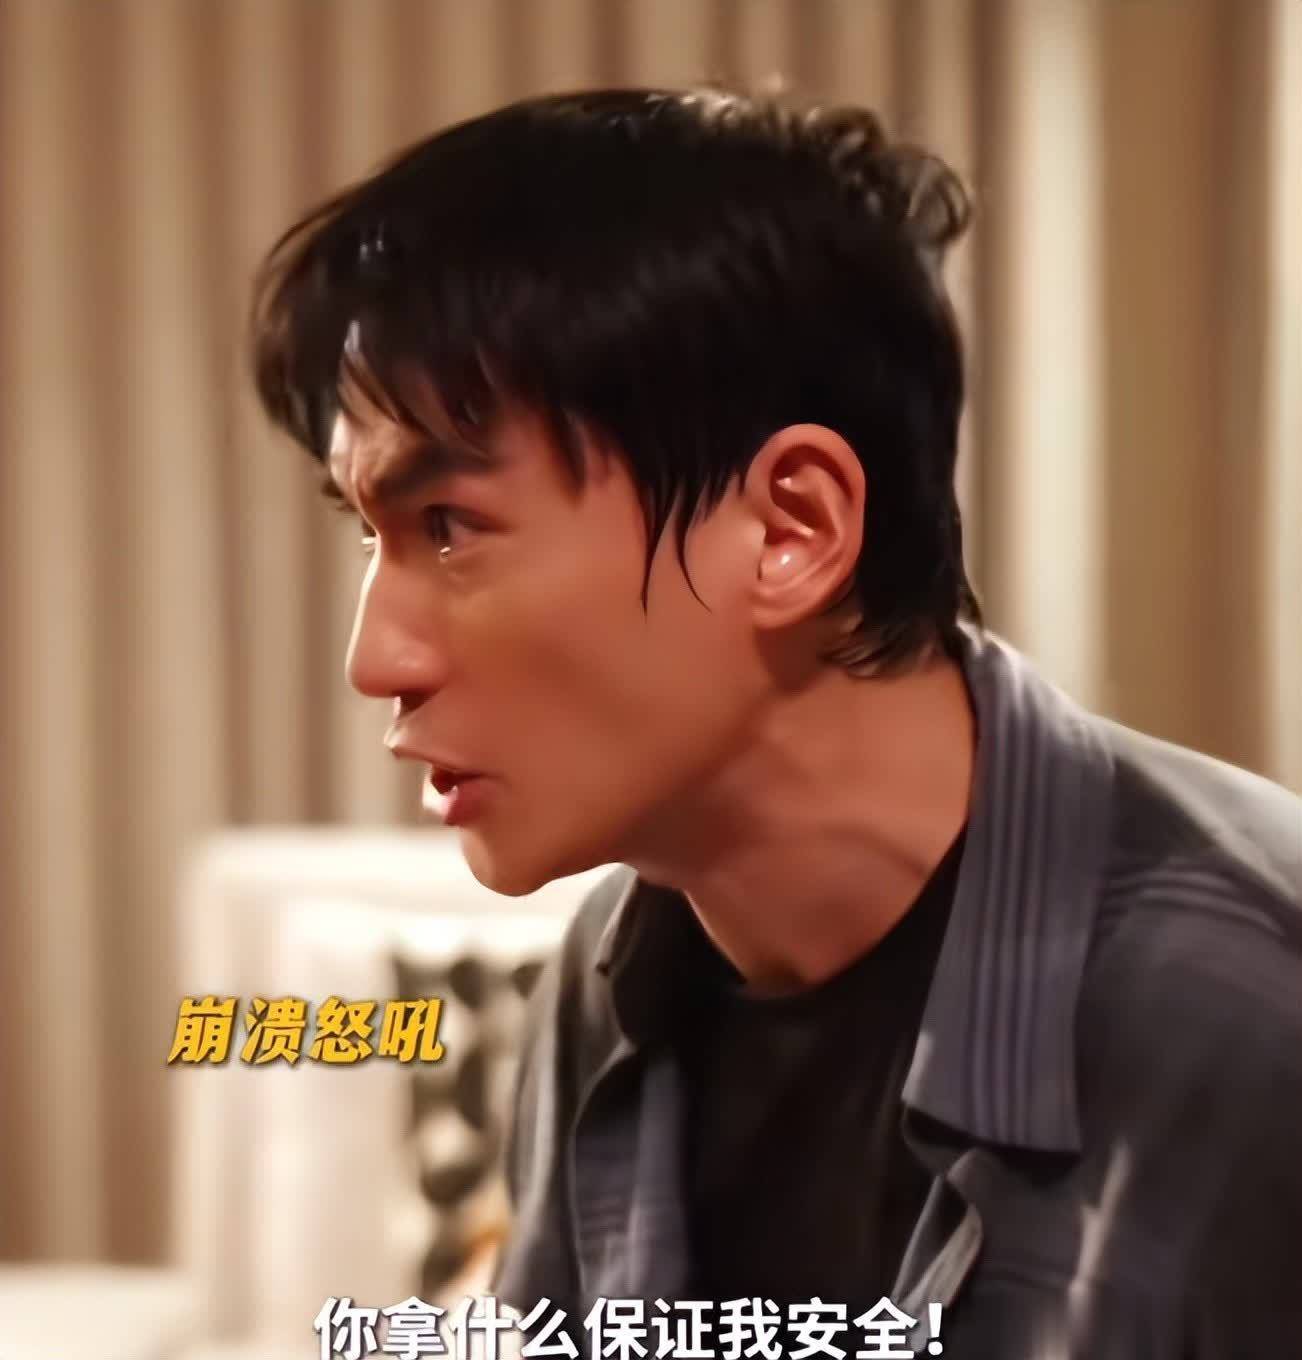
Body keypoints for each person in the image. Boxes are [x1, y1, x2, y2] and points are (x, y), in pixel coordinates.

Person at [249, 88, 1302, 1357]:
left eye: (451, 526)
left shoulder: (1242, 1012)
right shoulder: (616, 980)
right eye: (375, 536)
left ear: (791, 529)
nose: (376, 659)